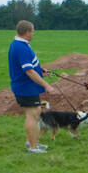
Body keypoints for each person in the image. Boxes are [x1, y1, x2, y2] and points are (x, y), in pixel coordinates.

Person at [8, 20, 52, 153]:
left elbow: (30, 66)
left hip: (28, 86)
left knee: (36, 113)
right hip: (25, 87)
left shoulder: (22, 45)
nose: (33, 33)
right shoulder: (20, 47)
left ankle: (33, 142)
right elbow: (29, 71)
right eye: (32, 31)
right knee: (32, 115)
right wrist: (46, 85)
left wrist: (41, 70)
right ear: (27, 32)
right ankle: (33, 147)